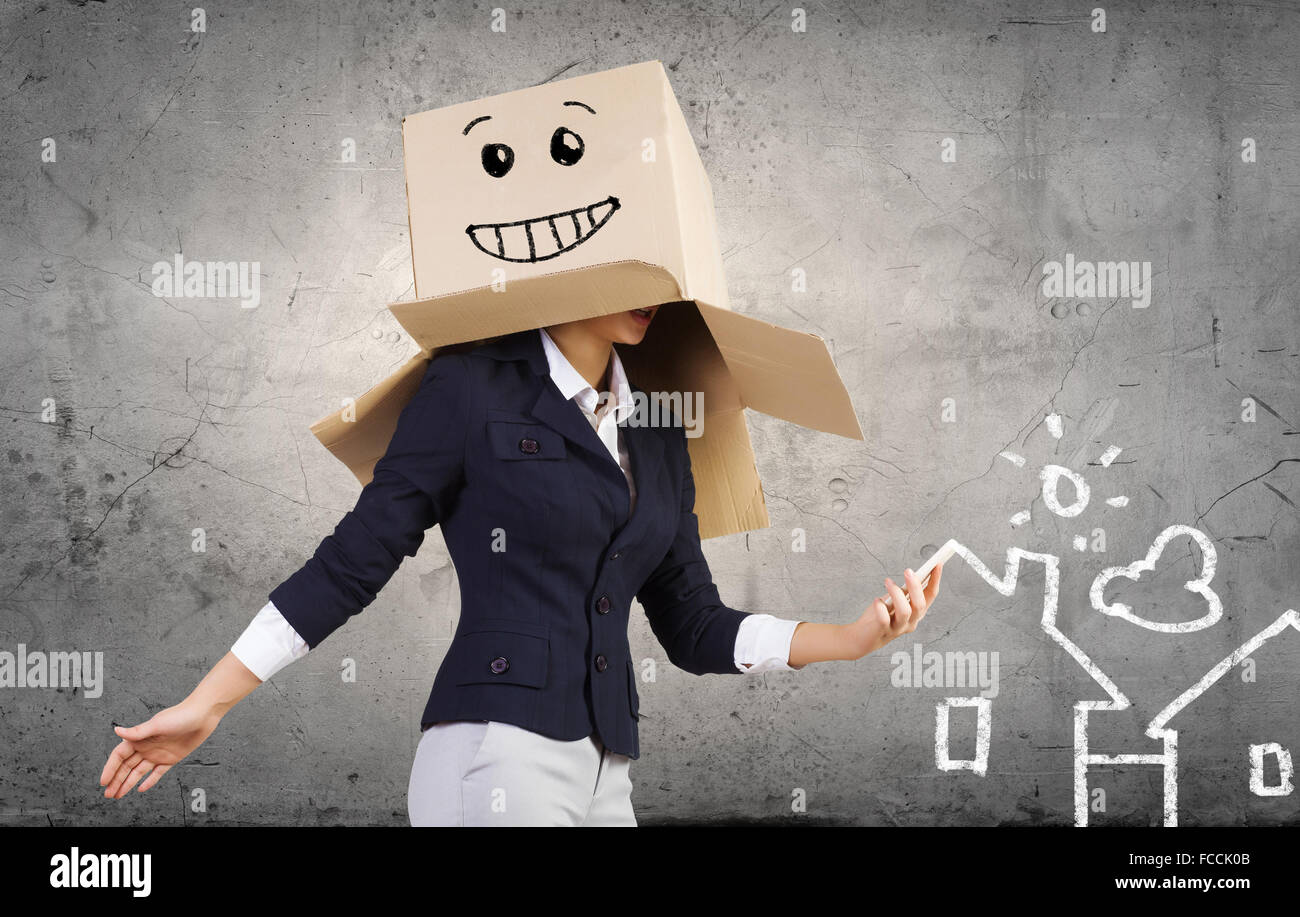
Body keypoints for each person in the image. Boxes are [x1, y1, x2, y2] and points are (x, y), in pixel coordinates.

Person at [99, 304, 943, 825]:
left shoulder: (657, 429)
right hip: (496, 751)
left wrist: (850, 637)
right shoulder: (470, 388)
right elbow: (353, 561)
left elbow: (691, 623)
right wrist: (208, 701)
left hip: (608, 770)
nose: (654, 286)